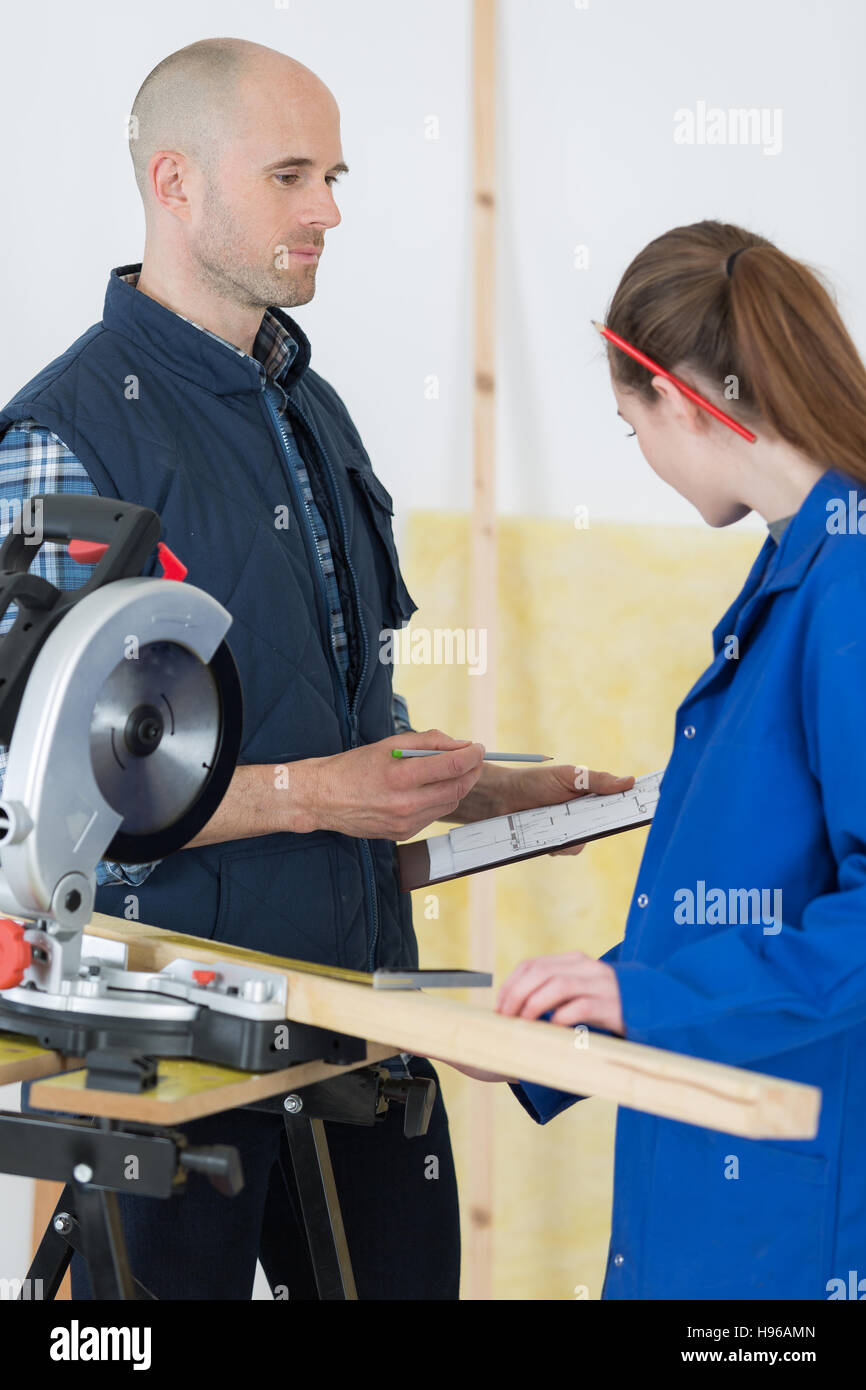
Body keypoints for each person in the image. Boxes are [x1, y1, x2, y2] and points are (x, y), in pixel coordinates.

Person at [0, 37, 628, 1300]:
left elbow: (327, 714)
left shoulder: (311, 409)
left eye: (332, 174)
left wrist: (476, 794)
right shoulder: (62, 436)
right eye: (291, 174)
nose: (329, 209)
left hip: (359, 1021)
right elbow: (37, 810)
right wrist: (315, 798)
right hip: (162, 1048)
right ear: (174, 183)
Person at [460, 220, 866, 1300]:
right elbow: (742, 900)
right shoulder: (798, 570)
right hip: (714, 1189)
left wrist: (637, 1000)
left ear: (682, 400)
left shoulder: (850, 590)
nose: (639, 454)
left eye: (629, 425)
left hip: (799, 1222)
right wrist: (560, 1030)